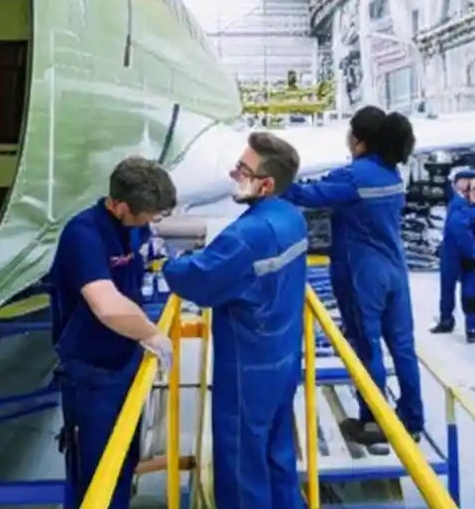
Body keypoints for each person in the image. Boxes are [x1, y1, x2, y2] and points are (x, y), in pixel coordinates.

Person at [161, 132, 308, 509]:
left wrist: (169, 262)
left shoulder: (248, 235)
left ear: (266, 184)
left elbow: (199, 280)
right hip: (284, 354)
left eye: (243, 169)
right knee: (277, 453)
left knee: (243, 465)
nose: (233, 173)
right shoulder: (291, 217)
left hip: (248, 365)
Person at [282, 106, 425, 446]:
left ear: (359, 140)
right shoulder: (392, 173)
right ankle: (412, 419)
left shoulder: (354, 177)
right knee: (403, 347)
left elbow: (306, 195)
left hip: (364, 274)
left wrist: (273, 179)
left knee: (366, 346)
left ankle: (374, 420)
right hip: (395, 270)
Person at [49, 156, 178, 509]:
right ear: (121, 206)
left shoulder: (133, 228)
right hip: (91, 373)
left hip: (125, 361)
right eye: (147, 215)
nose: (150, 223)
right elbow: (105, 305)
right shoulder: (83, 235)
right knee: (96, 473)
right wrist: (151, 333)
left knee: (124, 459)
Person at [432, 171, 475, 342]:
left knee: (467, 293)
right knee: (449, 290)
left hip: (466, 257)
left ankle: (469, 326)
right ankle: (449, 321)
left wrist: (474, 254)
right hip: (453, 255)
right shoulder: (460, 205)